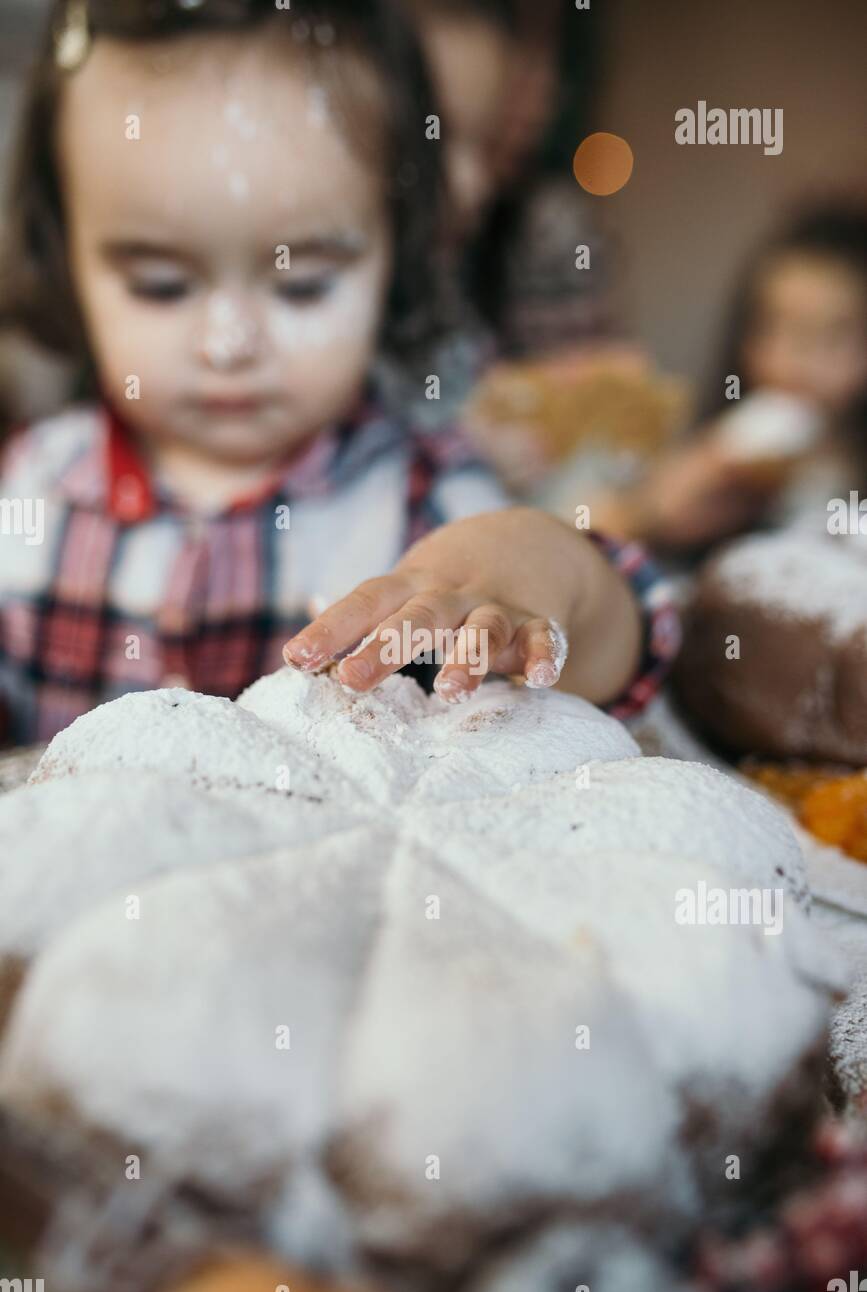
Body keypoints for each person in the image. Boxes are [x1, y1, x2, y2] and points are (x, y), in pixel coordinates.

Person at [0, 0, 676, 747]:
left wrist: (542, 570)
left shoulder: (428, 504)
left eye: (303, 285)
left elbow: (631, 654)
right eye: (161, 284)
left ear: (397, 255)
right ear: (65, 252)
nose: (229, 344)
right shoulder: (28, 485)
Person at [592, 204, 867, 551]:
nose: (790, 362)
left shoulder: (846, 482)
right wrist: (650, 512)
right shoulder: (708, 457)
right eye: (772, 326)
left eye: (830, 336)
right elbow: (587, 531)